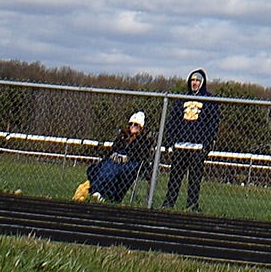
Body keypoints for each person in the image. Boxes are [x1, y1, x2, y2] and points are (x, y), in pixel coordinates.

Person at [160, 69, 221, 211]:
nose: (195, 83)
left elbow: (213, 123)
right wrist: (170, 140)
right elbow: (173, 121)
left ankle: (192, 205)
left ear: (202, 82)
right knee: (175, 177)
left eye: (197, 80)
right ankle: (169, 203)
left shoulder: (210, 100)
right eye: (193, 80)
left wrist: (207, 143)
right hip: (180, 145)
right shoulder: (182, 99)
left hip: (198, 146)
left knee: (194, 178)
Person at [82, 113, 153, 202]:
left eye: (136, 125)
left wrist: (127, 157)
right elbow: (114, 148)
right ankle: (97, 191)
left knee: (119, 169)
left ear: (141, 127)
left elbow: (141, 155)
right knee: (104, 166)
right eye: (131, 124)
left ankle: (107, 194)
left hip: (133, 161)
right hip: (116, 159)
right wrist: (114, 154)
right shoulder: (123, 136)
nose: (132, 126)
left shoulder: (144, 139)